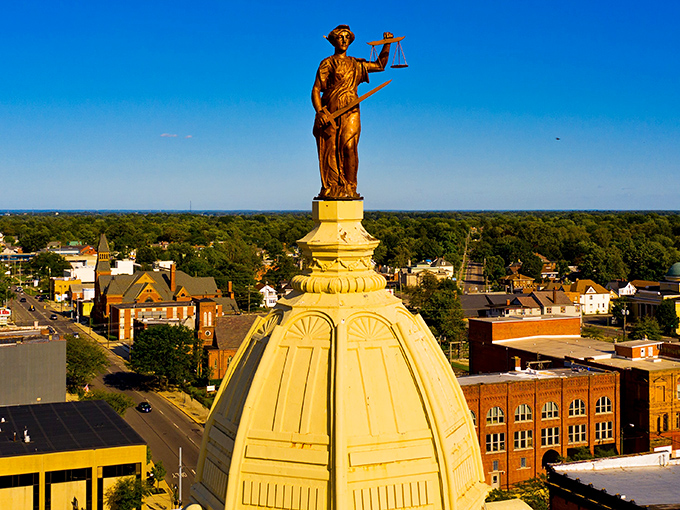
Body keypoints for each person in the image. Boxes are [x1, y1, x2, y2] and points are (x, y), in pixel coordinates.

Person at [312, 25, 392, 199]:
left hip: (351, 110)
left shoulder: (356, 64)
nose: (344, 40)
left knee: (349, 147)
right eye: (340, 37)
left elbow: (379, 65)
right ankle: (333, 186)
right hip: (332, 112)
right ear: (334, 40)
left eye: (347, 37)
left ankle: (350, 186)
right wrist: (320, 112)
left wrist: (386, 44)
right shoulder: (327, 63)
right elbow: (316, 89)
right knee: (331, 151)